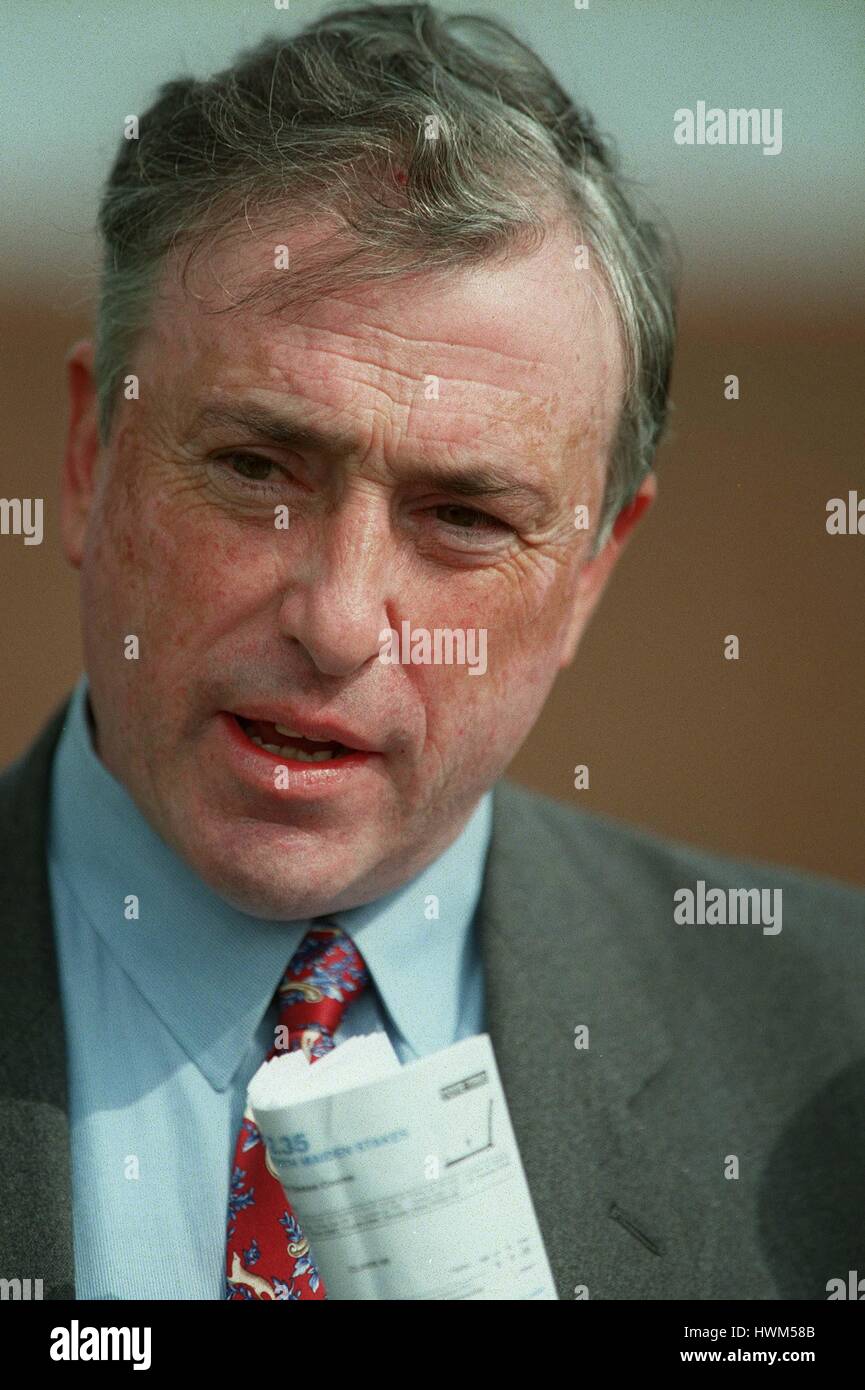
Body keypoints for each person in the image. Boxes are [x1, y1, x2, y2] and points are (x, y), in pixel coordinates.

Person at [1, 2, 862, 1303]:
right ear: (89, 457)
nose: (340, 620)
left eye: (463, 517)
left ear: (590, 573)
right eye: (255, 468)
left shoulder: (829, 1062)